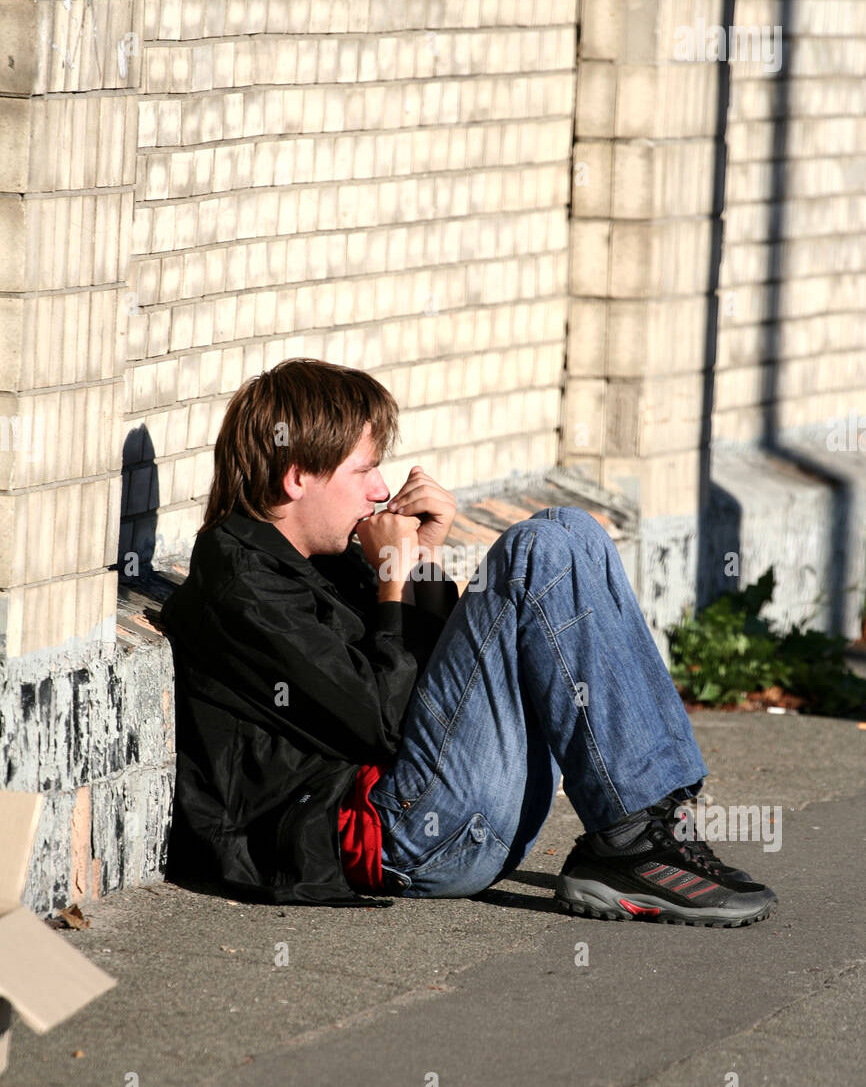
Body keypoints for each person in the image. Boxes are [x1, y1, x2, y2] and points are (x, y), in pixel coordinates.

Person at [160, 358, 778, 926]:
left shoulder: (333, 556)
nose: (381, 490)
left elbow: (440, 693)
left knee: (569, 530)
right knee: (537, 551)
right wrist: (392, 587)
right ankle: (633, 843)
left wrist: (422, 566)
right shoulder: (241, 587)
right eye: (364, 469)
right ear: (297, 477)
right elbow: (380, 721)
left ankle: (647, 828)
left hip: (461, 815)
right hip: (395, 837)